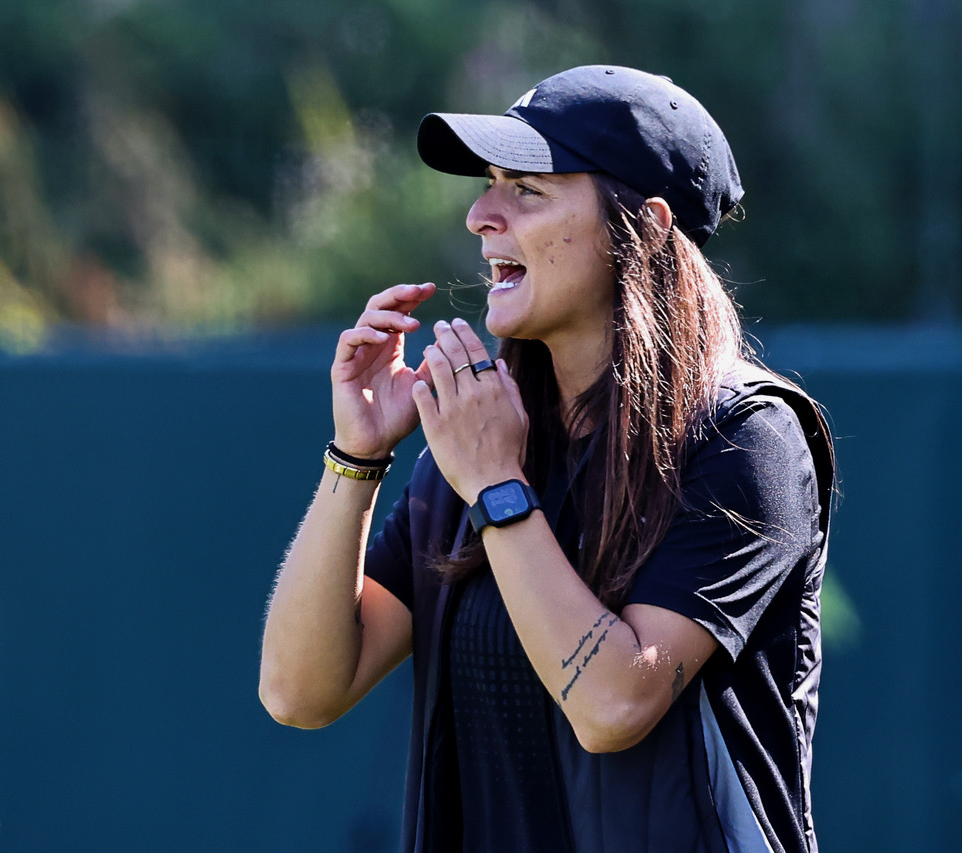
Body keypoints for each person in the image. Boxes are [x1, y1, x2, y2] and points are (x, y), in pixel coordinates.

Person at [259, 65, 836, 853]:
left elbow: (612, 705)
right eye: (489, 185)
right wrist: (356, 456)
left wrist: (497, 486)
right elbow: (299, 691)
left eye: (527, 190)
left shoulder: (747, 437)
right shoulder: (479, 446)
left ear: (648, 228)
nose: (480, 216)